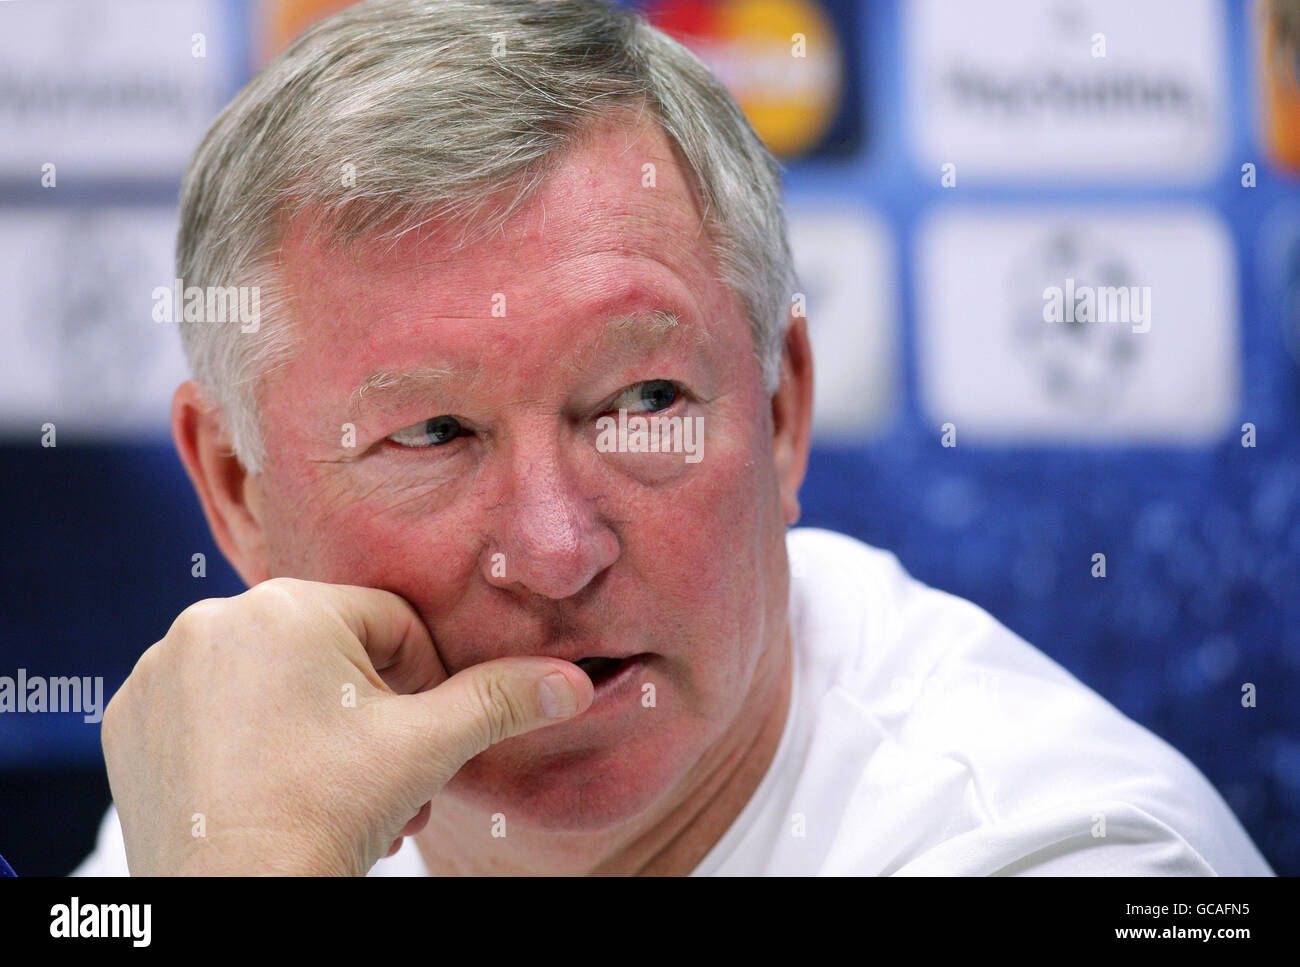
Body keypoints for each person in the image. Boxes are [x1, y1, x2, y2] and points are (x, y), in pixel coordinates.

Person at [75, 0, 1271, 876]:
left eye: (642, 403)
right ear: (236, 491)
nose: (553, 551)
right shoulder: (240, 773)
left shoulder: (1079, 856)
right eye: (433, 432)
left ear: (781, 411)